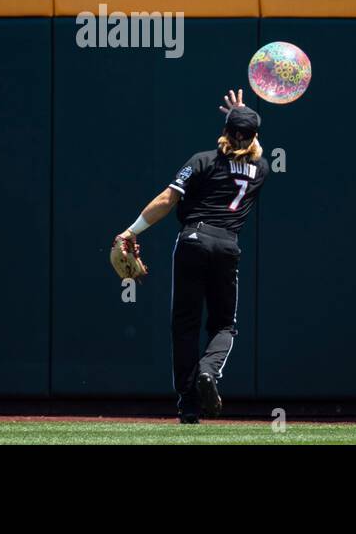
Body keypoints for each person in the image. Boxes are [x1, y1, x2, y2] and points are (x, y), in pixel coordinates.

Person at [113, 90, 268, 424]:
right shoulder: (262, 169)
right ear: (254, 137)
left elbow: (168, 200)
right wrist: (242, 116)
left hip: (193, 240)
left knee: (185, 325)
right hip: (227, 245)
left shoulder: (203, 160)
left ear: (225, 133)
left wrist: (130, 232)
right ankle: (208, 372)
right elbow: (251, 145)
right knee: (224, 324)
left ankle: (188, 405)